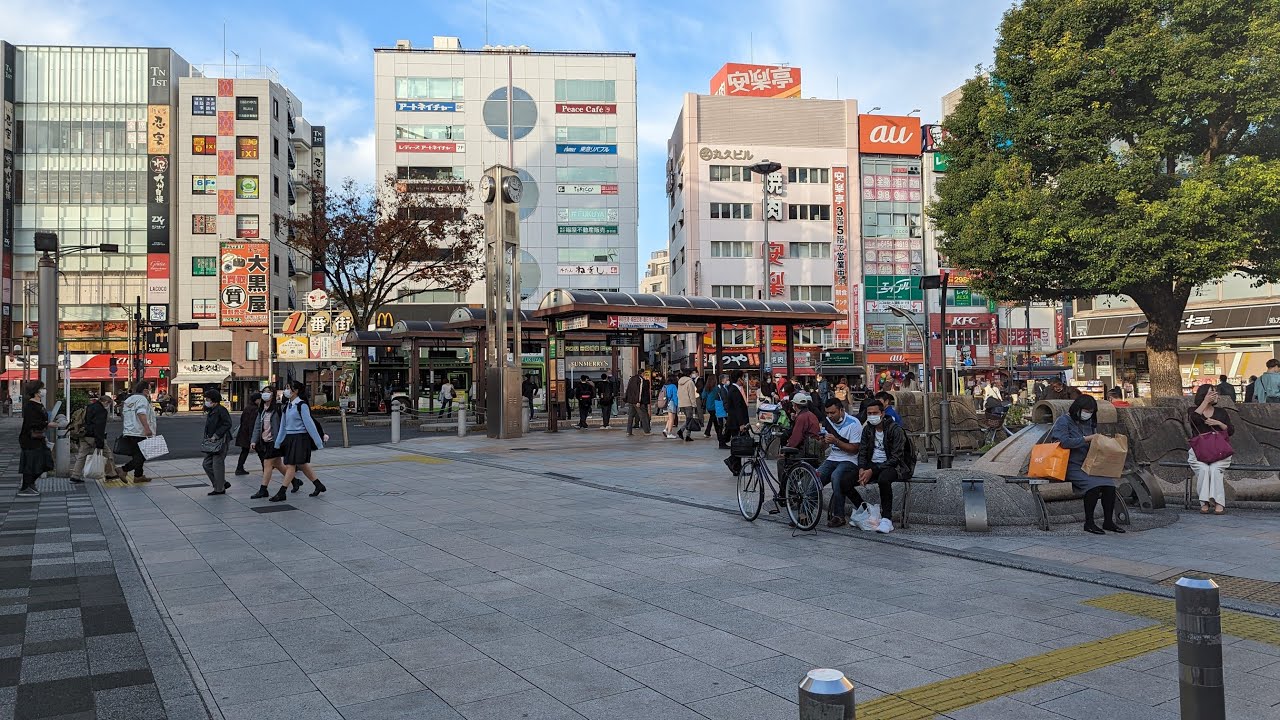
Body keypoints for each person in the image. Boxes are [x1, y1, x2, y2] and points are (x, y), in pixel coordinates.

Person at [1048, 394, 1124, 534]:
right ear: (1077, 409)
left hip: (1089, 463)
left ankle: (1108, 521)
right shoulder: (1064, 421)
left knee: (1109, 486)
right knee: (1093, 486)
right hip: (1070, 465)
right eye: (1086, 411)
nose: (1087, 414)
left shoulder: (1090, 422)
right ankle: (1089, 523)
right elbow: (1062, 442)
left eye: (1090, 412)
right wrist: (1087, 439)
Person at [856, 400, 915, 526]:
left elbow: (896, 458)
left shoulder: (895, 430)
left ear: (882, 413)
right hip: (871, 464)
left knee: (884, 479)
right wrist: (861, 468)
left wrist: (872, 471)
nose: (872, 416)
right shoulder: (867, 429)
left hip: (894, 466)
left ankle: (887, 518)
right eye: (869, 413)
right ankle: (866, 512)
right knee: (845, 480)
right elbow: (862, 450)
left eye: (875, 413)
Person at [271, 380, 327, 501]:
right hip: (290, 439)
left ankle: (282, 492)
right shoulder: (287, 406)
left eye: (288, 388)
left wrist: (318, 442)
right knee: (301, 464)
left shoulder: (302, 405)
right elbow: (283, 426)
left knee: (291, 465)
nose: (286, 390)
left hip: (300, 438)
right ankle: (318, 485)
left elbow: (310, 425)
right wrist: (278, 442)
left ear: (295, 391)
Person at [1188, 384, 1234, 514]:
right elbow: (1193, 420)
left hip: (1220, 451)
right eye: (1211, 393)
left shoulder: (1221, 412)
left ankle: (1219, 503)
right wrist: (1205, 403)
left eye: (1215, 393)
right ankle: (1205, 502)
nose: (1215, 395)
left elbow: (1231, 430)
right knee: (1203, 469)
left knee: (1214, 470)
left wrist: (1219, 423)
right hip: (1199, 451)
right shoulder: (1193, 410)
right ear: (1203, 395)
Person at [819, 397, 863, 528]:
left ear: (841, 410)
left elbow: (855, 449)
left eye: (833, 413)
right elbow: (823, 448)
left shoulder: (854, 423)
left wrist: (836, 441)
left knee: (836, 477)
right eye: (827, 413)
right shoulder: (827, 422)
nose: (830, 416)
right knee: (816, 477)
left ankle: (839, 515)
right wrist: (822, 442)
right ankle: (805, 514)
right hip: (833, 458)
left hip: (849, 460)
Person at [249, 387, 291, 499]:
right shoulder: (262, 409)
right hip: (265, 441)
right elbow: (257, 426)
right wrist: (254, 440)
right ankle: (296, 481)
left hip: (275, 441)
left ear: (273, 394)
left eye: (268, 392)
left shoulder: (278, 408)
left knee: (267, 463)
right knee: (278, 464)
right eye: (264, 392)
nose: (265, 394)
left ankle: (263, 490)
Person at [70, 393, 120, 484]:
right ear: (105, 402)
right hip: (94, 436)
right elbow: (99, 427)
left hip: (84, 434)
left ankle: (75, 475)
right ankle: (111, 474)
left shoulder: (90, 406)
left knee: (81, 456)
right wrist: (99, 442)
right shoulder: (101, 411)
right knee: (108, 454)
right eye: (108, 404)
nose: (108, 406)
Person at [18, 381, 57, 496]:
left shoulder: (38, 404)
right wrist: (47, 424)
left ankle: (29, 484)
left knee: (43, 462)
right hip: (30, 439)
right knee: (32, 463)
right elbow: (32, 423)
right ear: (36, 391)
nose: (44, 390)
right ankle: (26, 486)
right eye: (42, 388)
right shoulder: (31, 406)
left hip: (38, 437)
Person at [118, 380, 157, 483]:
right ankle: (123, 469)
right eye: (149, 389)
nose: (150, 391)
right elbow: (141, 413)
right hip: (140, 432)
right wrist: (147, 428)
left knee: (137, 454)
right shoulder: (142, 399)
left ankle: (138, 476)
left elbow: (123, 414)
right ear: (145, 390)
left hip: (130, 431)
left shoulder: (129, 399)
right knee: (143, 455)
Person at [201, 389, 234, 496]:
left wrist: (216, 435)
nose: (206, 401)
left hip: (221, 440)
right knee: (206, 464)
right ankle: (221, 483)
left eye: (208, 399)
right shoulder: (212, 410)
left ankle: (219, 488)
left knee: (217, 464)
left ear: (214, 400)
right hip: (212, 442)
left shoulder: (221, 410)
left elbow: (227, 423)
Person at [233, 394, 261, 476]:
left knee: (244, 451)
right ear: (256, 400)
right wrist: (253, 438)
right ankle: (266, 467)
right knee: (260, 451)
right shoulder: (255, 409)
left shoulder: (247, 407)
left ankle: (239, 468)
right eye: (259, 399)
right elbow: (252, 424)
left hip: (243, 433)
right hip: (248, 434)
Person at [723, 370, 751, 444]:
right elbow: (737, 408)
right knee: (739, 443)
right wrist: (741, 424)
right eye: (743, 377)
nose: (744, 380)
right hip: (736, 422)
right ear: (739, 379)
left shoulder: (735, 389)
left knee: (741, 443)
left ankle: (735, 455)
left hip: (736, 422)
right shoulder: (734, 390)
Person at [624, 369, 652, 436]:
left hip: (631, 401)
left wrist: (627, 398)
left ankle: (629, 431)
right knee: (643, 415)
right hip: (637, 401)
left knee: (630, 416)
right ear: (642, 373)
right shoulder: (640, 380)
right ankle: (647, 431)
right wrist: (638, 401)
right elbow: (639, 391)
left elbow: (628, 389)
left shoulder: (631, 379)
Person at [706, 373, 730, 447]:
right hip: (721, 410)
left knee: (721, 426)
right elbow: (724, 399)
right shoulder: (722, 389)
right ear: (723, 380)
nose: (728, 381)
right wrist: (727, 410)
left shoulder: (720, 387)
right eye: (727, 379)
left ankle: (722, 441)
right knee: (722, 426)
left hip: (719, 409)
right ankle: (722, 441)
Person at [676, 368, 698, 441]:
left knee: (688, 419)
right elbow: (691, 394)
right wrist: (694, 404)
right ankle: (681, 431)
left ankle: (687, 435)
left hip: (682, 403)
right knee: (689, 419)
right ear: (689, 374)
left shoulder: (679, 382)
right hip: (688, 403)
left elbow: (678, 393)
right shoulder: (690, 382)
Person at [662, 373, 680, 438]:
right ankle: (669, 433)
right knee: (672, 419)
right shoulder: (673, 386)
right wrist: (677, 404)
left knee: (669, 418)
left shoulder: (665, 386)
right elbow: (675, 397)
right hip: (672, 403)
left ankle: (665, 430)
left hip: (667, 403)